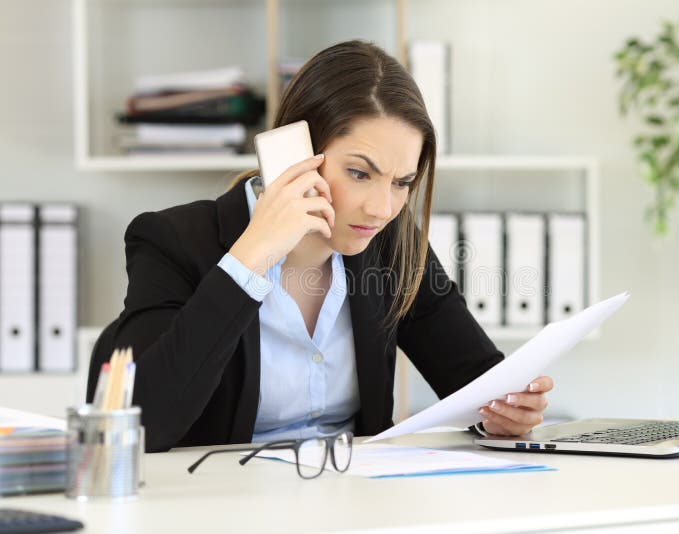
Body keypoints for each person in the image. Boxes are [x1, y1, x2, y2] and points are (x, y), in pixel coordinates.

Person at [88, 40, 554, 453]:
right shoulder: (172, 241)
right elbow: (144, 426)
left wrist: (508, 410)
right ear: (293, 152)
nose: (381, 208)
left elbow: (476, 383)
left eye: (403, 182)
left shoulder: (390, 244)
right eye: (360, 173)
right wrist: (250, 259)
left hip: (354, 504)